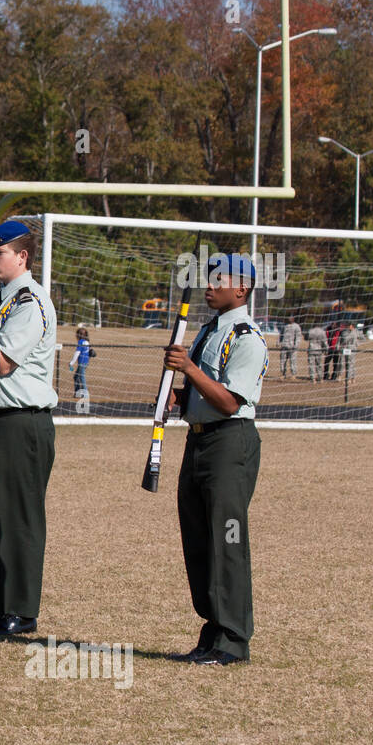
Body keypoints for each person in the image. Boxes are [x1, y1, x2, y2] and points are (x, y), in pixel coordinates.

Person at [164, 252, 267, 665]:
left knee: (227, 536)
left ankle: (233, 637)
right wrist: (178, 394)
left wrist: (188, 367)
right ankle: (212, 625)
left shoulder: (247, 337)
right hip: (199, 441)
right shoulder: (211, 329)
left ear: (241, 288)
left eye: (219, 278)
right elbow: (205, 394)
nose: (209, 284)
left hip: (230, 441)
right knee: (199, 536)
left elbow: (228, 401)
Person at [0, 221, 58, 638]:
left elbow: (2, 361)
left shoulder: (30, 301)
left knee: (16, 517)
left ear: (21, 257)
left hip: (20, 421)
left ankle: (20, 609)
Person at [71, 326, 95, 396]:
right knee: (76, 377)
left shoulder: (81, 342)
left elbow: (77, 353)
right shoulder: (87, 342)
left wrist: (72, 362)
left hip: (82, 363)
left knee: (82, 377)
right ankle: (78, 392)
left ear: (79, 335)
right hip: (86, 362)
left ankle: (85, 393)